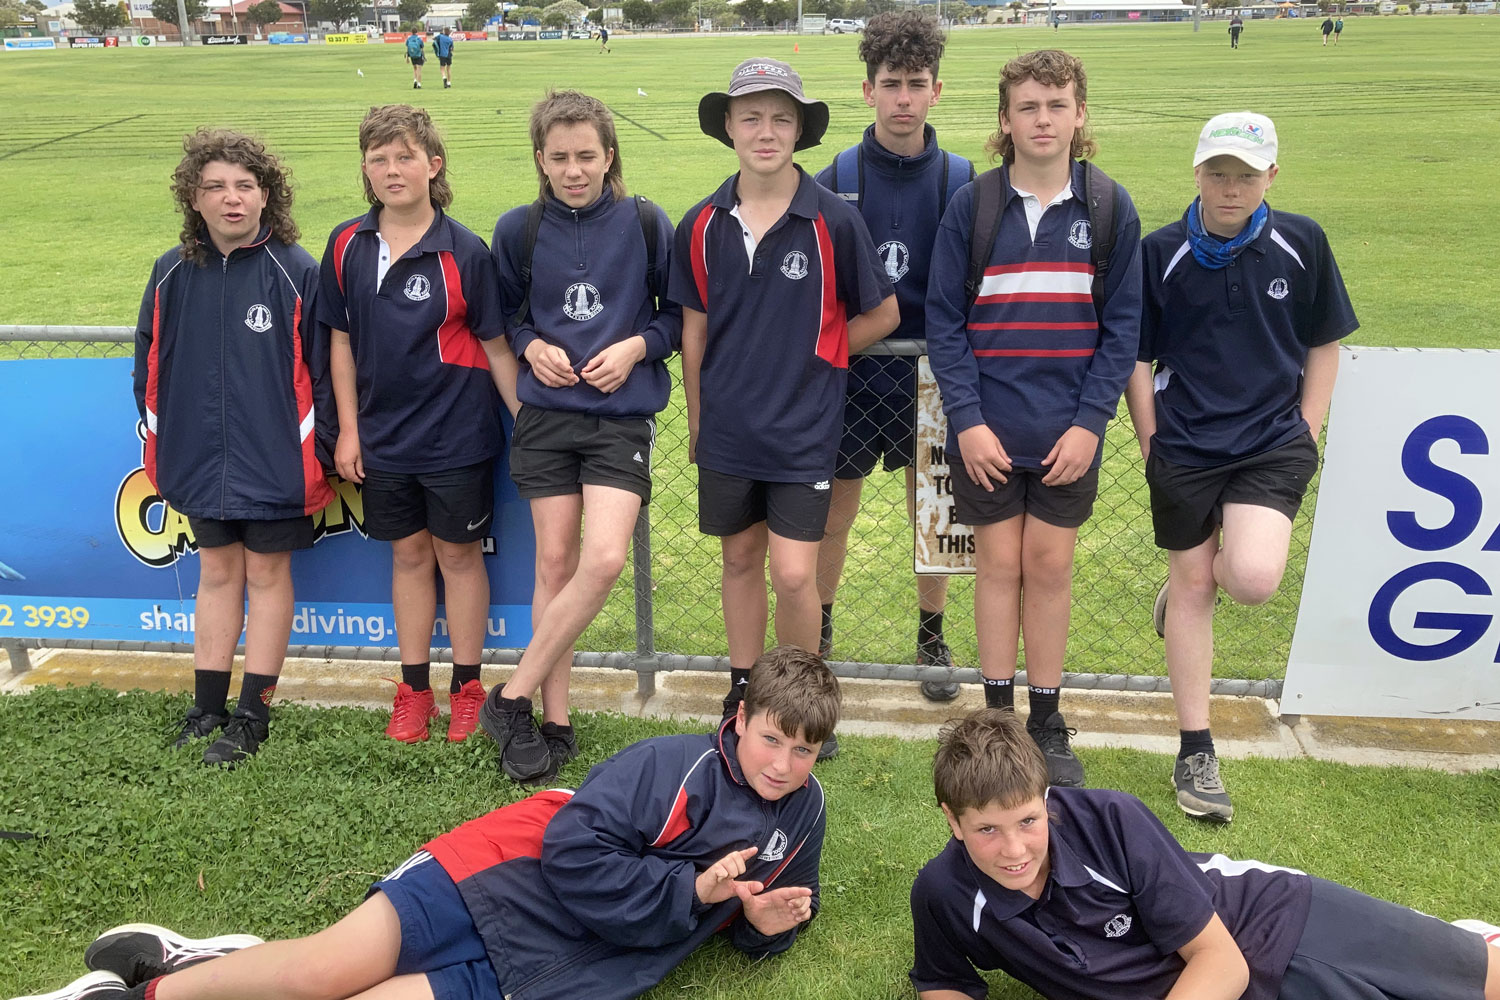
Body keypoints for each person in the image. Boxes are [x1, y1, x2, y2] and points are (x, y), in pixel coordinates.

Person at [29, 647, 839, 1000]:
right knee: (317, 975)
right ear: (737, 719)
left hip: (557, 966)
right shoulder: (673, 765)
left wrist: (761, 922)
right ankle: (140, 991)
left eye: (805, 752)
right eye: (771, 738)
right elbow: (571, 850)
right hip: (503, 877)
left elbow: (767, 916)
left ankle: (214, 959)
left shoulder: (806, 814)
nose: (783, 765)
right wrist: (693, 889)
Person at [907, 708, 1500, 1000]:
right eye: (987, 830)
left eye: (1029, 821)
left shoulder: (1111, 818)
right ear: (953, 822)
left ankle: (1469, 942)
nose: (1014, 850)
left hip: (1266, 924)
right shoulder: (943, 892)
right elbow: (943, 983)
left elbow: (1223, 962)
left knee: (1479, 981)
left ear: (1046, 798)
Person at [1124, 112, 1356, 824]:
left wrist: (1307, 429)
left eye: (1247, 176)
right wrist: (1150, 439)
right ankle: (1197, 749)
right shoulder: (1160, 251)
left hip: (1268, 442)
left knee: (1251, 578)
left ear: (1271, 178)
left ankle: (1189, 589)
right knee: (1193, 582)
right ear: (1196, 173)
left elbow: (1324, 342)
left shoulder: (1302, 242)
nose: (1231, 189)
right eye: (1218, 174)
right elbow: (1136, 356)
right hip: (1185, 443)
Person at [924, 49, 1141, 788]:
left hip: (1067, 435)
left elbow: (1122, 333)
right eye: (1027, 106)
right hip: (985, 431)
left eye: (1056, 104)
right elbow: (945, 323)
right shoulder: (976, 205)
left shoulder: (1108, 206)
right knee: (998, 565)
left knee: (1048, 568)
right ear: (1005, 120)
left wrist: (1088, 425)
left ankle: (1046, 722)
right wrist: (969, 421)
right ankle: (994, 721)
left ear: (1080, 114)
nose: (1042, 119)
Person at [670, 57, 898, 759]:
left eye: (780, 119)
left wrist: (827, 350)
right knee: (740, 559)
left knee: (795, 572)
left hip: (804, 430)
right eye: (751, 118)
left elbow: (884, 313)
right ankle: (745, 688)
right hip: (731, 429)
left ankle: (802, 698)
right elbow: (694, 329)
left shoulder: (834, 218)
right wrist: (701, 419)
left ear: (798, 131)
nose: (764, 131)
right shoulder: (702, 222)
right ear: (729, 129)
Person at [484, 90, 681, 783]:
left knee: (602, 562)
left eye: (586, 156)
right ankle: (553, 716)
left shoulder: (647, 223)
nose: (574, 169)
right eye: (560, 157)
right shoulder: (519, 230)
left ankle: (508, 696)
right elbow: (505, 316)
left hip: (619, 417)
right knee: (554, 565)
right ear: (541, 159)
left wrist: (635, 348)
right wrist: (530, 344)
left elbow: (677, 319)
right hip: (545, 419)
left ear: (609, 156)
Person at [319, 105, 520, 744]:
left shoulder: (465, 250)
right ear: (366, 171)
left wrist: (530, 426)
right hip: (381, 439)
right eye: (378, 159)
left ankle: (465, 687)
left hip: (455, 437)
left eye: (405, 156)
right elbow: (340, 344)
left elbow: (494, 348)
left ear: (434, 165)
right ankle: (413, 690)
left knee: (458, 557)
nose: (391, 169)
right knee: (407, 556)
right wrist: (349, 430)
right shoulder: (347, 243)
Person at [135, 128, 333, 767]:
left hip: (278, 458)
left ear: (266, 194)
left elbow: (327, 374)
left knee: (269, 576)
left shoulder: (297, 270)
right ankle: (207, 707)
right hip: (199, 458)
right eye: (215, 187)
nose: (231, 199)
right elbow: (150, 363)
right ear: (193, 197)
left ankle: (253, 714)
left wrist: (316, 445)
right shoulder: (170, 272)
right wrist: (164, 436)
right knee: (218, 573)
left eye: (244, 186)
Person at [813, 10, 974, 703]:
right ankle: (817, 640)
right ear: (866, 90)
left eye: (916, 84)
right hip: (852, 376)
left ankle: (931, 637)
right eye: (890, 84)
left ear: (937, 90)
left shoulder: (963, 180)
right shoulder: (833, 176)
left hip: (931, 380)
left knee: (932, 514)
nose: (903, 98)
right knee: (832, 517)